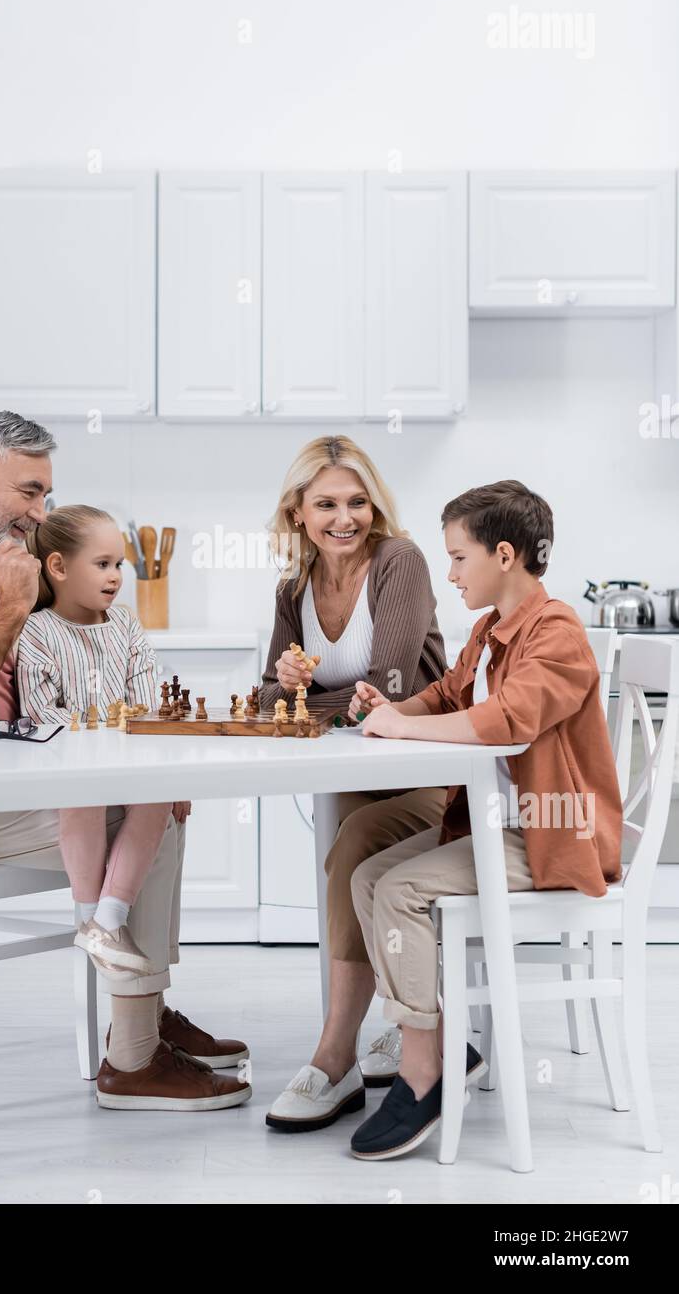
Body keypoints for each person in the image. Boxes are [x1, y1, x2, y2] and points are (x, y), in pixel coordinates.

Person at [0, 410, 249, 1112]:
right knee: (151, 819)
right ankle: (133, 1052)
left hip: (13, 783)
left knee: (165, 797)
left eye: (46, 494)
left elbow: (74, 668)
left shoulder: (8, 558)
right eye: (29, 491)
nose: (40, 511)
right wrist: (16, 606)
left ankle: (139, 1014)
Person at [344, 479, 623, 1159]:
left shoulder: (554, 630)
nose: (449, 572)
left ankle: (423, 1072)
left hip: (552, 835)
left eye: (458, 557)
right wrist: (387, 711)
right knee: (366, 875)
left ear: (504, 555)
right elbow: (444, 694)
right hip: (502, 831)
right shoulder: (488, 633)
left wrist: (404, 733)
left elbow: (510, 719)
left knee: (399, 890)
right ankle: (438, 1043)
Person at [261, 436, 449, 1131]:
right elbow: (264, 701)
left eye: (357, 501)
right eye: (326, 504)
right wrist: (284, 687)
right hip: (354, 769)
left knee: (349, 852)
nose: (344, 518)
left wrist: (303, 705)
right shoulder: (292, 588)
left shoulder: (399, 562)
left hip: (430, 771)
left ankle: (333, 1057)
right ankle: (376, 1036)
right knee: (345, 852)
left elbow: (394, 689)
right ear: (297, 512)